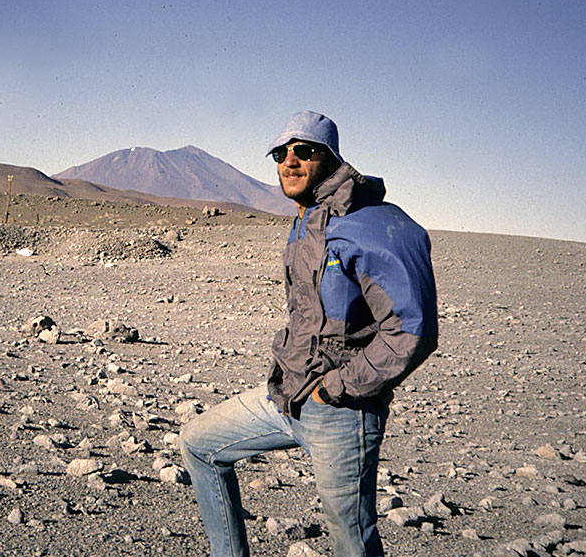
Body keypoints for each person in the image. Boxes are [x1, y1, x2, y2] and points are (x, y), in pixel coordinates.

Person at [179, 111, 438, 557]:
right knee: (199, 443)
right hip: (288, 396)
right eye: (281, 153)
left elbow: (413, 329)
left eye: (305, 151)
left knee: (351, 542)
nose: (290, 161)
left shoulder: (374, 224)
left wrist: (335, 388)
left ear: (331, 157)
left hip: (342, 410)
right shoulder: (309, 219)